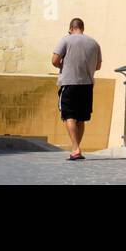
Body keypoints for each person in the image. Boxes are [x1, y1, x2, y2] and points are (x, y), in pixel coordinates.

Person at [51, 17, 102, 161]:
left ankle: (75, 148)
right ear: (82, 28)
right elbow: (98, 66)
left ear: (71, 28)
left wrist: (63, 65)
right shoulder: (94, 43)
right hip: (87, 85)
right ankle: (77, 148)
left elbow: (54, 60)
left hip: (69, 83)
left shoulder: (66, 40)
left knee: (69, 116)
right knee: (81, 118)